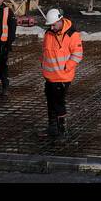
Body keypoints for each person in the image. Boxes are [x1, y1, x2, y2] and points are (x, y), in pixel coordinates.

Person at [40, 8, 83, 139]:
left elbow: (77, 55)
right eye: (50, 25)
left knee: (58, 104)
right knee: (50, 103)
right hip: (49, 76)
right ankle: (52, 128)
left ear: (60, 20)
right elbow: (45, 53)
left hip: (62, 77)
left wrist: (65, 67)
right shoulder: (49, 33)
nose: (52, 27)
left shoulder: (72, 35)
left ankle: (62, 131)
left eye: (54, 24)